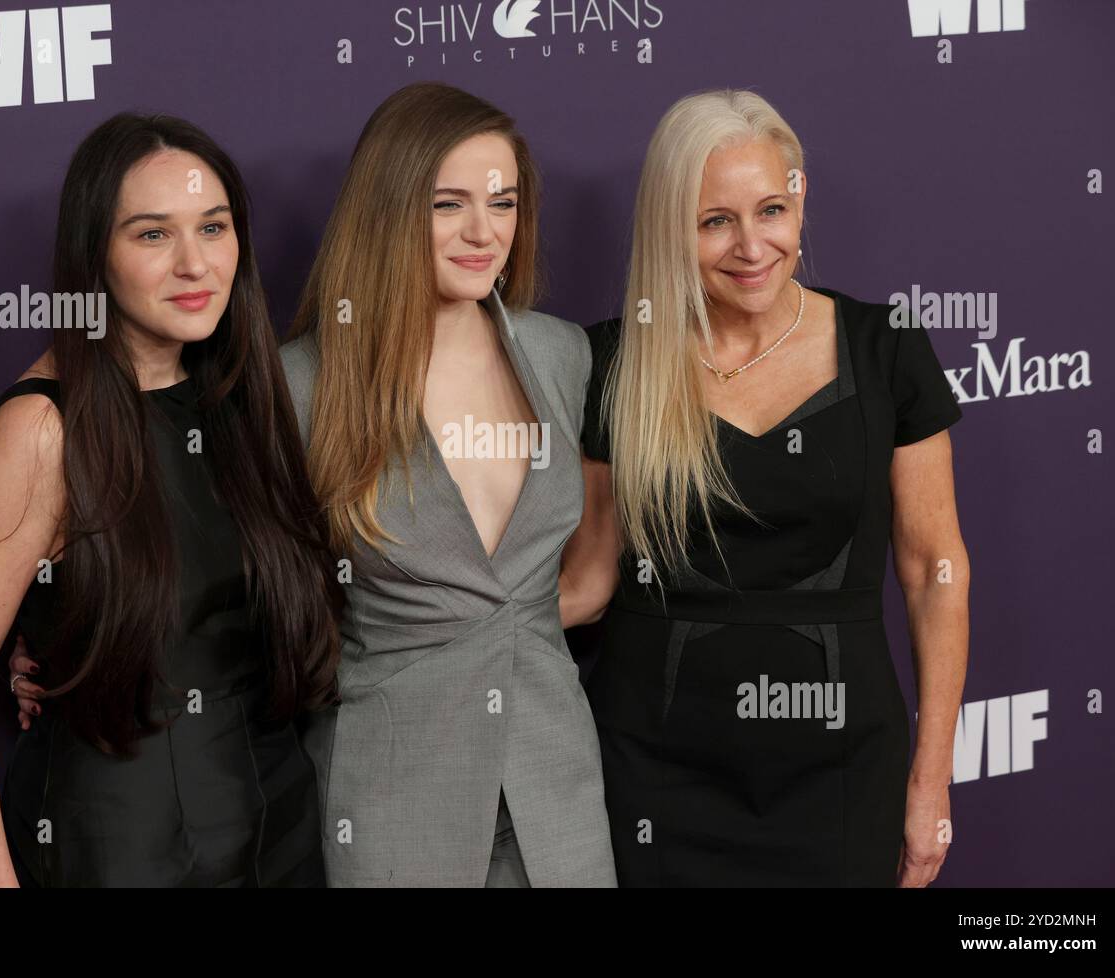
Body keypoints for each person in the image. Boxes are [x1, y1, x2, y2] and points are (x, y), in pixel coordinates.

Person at [0, 113, 341, 887]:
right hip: (113, 855)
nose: (194, 263)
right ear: (94, 256)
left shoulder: (244, 398)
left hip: (278, 838)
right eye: (152, 235)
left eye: (213, 227)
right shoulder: (42, 429)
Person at [560, 89, 969, 887]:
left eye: (771, 209)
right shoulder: (611, 363)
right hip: (653, 773)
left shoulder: (886, 351)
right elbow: (590, 578)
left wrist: (930, 782)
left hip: (842, 773)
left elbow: (934, 574)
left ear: (801, 197)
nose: (752, 246)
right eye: (715, 220)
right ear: (670, 225)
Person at [279, 82, 616, 886]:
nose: (483, 231)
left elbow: (582, 577)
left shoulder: (563, 356)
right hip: (392, 793)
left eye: (503, 202)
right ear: (390, 207)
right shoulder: (301, 385)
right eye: (448, 203)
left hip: (555, 790)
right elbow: (247, 590)